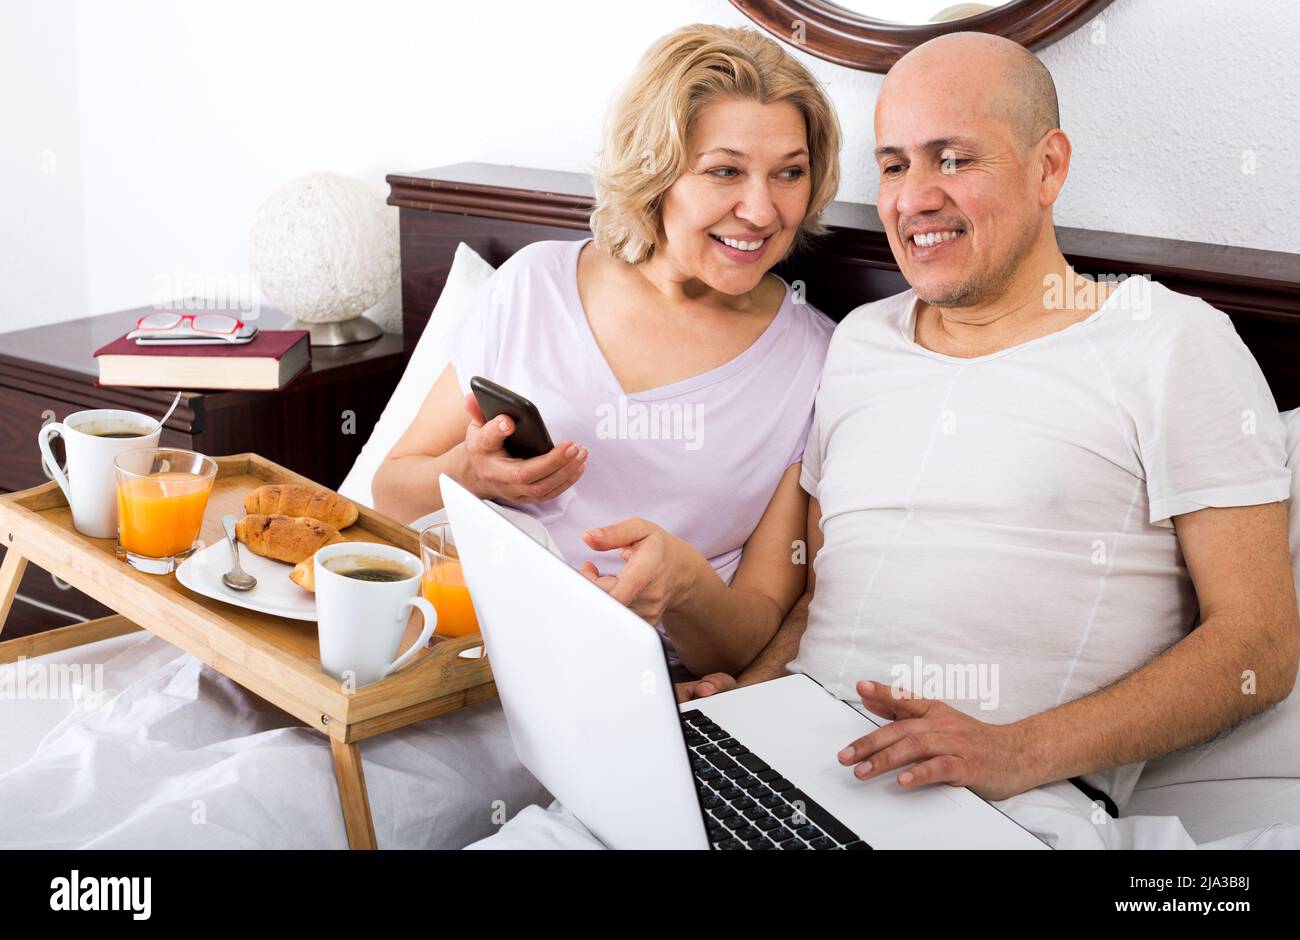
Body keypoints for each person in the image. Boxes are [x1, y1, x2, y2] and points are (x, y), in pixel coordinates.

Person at [471, 31, 1300, 850]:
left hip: (996, 802)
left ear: (1048, 166)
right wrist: (746, 695)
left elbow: (1259, 641)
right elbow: (817, 600)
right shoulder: (861, 344)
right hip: (774, 754)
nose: (914, 198)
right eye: (896, 164)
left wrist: (1017, 751)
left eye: (954, 159)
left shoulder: (1170, 343)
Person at [372, 24, 840, 682]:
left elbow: (747, 637)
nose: (762, 211)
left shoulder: (815, 364)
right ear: (656, 172)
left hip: (619, 696)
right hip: (460, 655)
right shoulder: (535, 286)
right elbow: (390, 492)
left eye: (789, 173)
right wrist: (469, 475)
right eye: (724, 171)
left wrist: (684, 587)